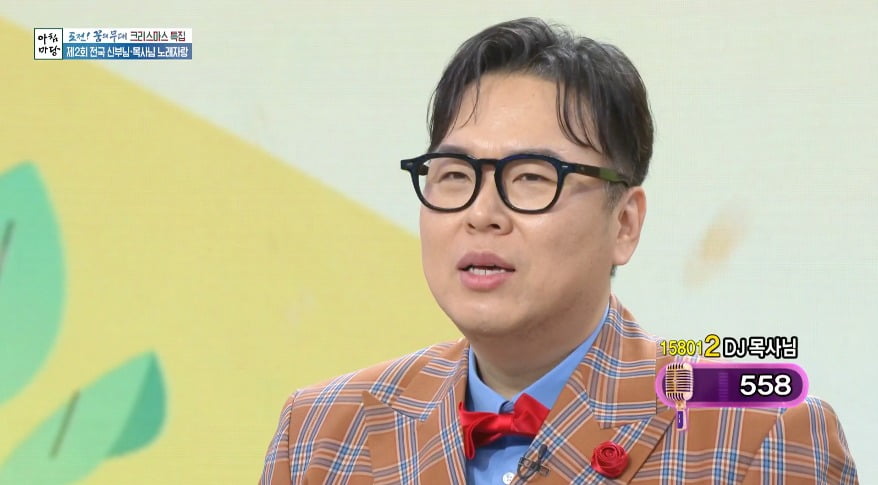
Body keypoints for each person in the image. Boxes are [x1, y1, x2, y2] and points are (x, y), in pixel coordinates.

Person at [260, 17, 858, 484]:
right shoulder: (320, 434)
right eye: (455, 174)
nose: (481, 213)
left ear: (625, 224)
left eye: (530, 177)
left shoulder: (759, 432)